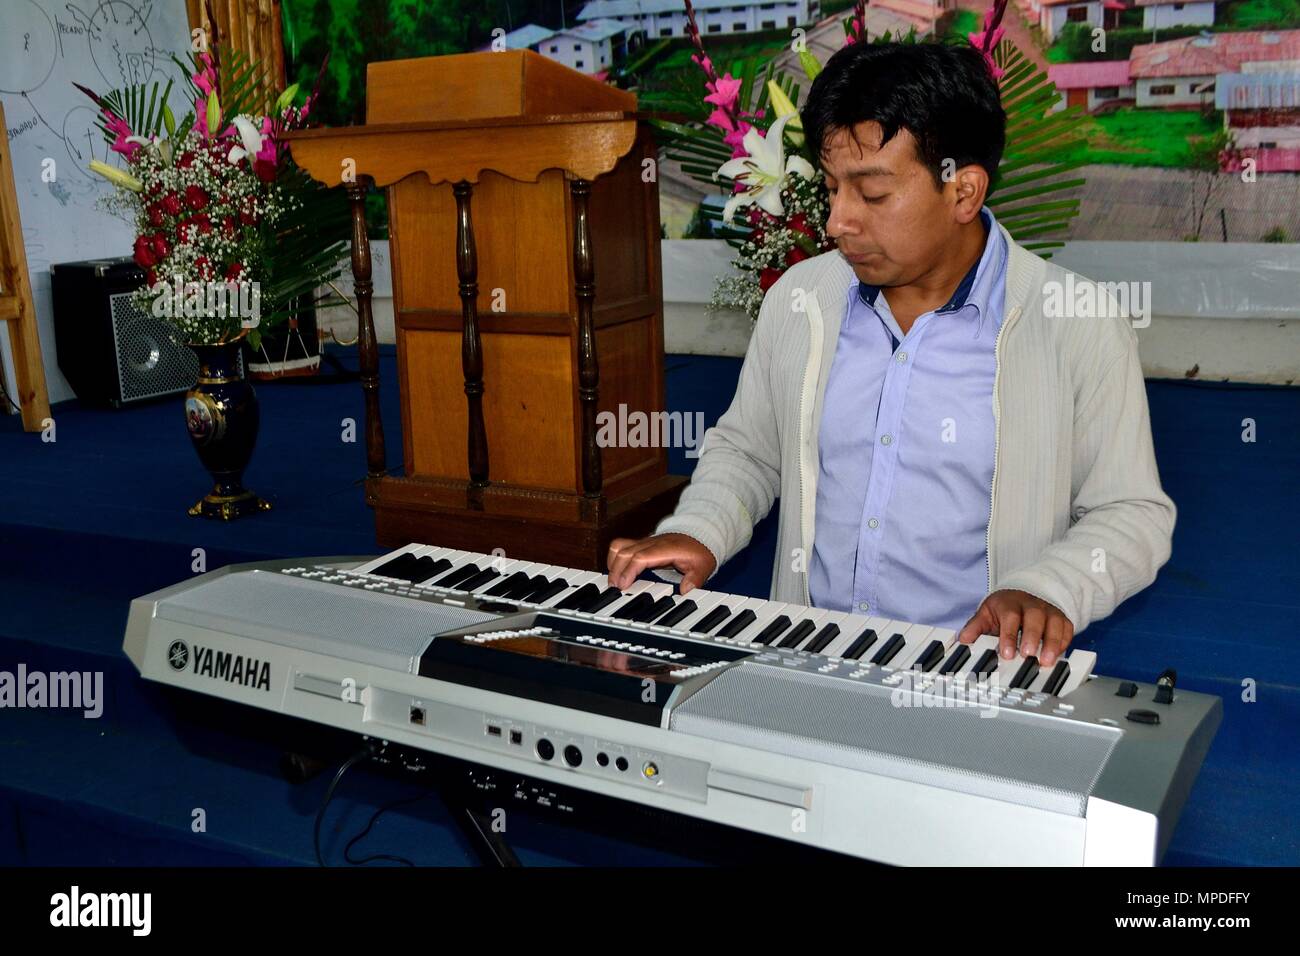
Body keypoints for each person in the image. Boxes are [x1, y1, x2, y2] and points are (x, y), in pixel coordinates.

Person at [607, 41, 1174, 668]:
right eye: (830, 188)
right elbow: (750, 450)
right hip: (806, 667)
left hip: (973, 678)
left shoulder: (1077, 323)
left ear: (964, 192)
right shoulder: (802, 300)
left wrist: (1049, 590)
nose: (837, 222)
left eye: (871, 195)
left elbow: (1130, 512)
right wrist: (701, 528)